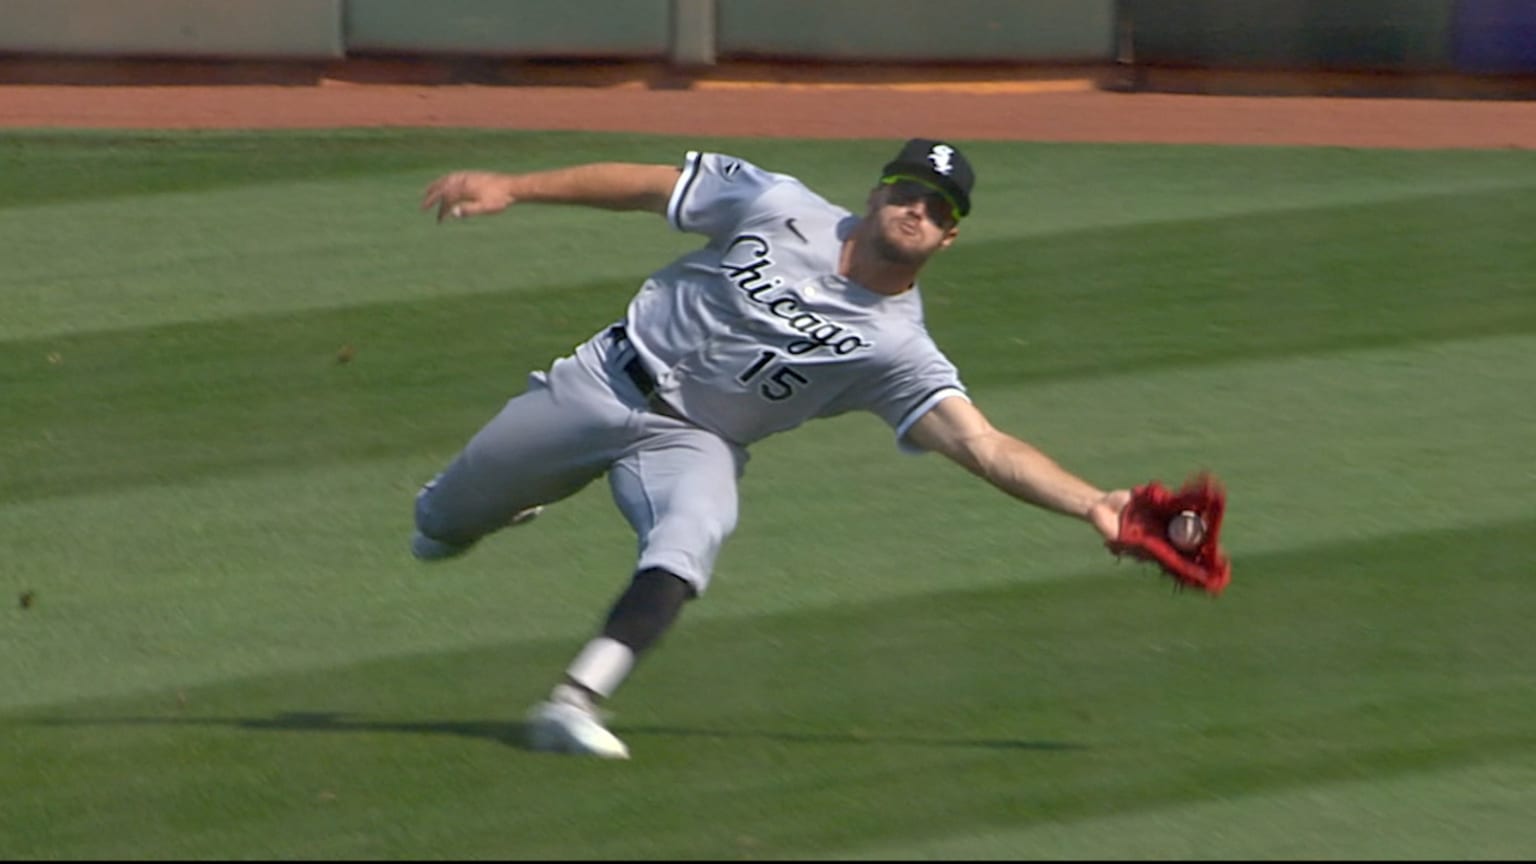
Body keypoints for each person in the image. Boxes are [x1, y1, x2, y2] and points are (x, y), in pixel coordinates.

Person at [413, 139, 1132, 759]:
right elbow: (645, 185)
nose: (920, 211)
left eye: (942, 210)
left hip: (696, 442)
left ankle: (572, 703)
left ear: (949, 239)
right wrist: (514, 186)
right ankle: (505, 500)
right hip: (601, 381)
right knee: (439, 529)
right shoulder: (777, 203)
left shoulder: (897, 348)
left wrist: (1094, 502)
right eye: (911, 193)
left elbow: (981, 443)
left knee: (692, 536)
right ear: (879, 192)